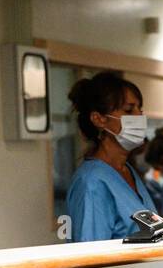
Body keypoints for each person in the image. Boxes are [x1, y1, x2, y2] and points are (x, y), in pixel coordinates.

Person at [65, 72, 155, 242]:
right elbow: (91, 257)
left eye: (140, 110)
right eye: (129, 110)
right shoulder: (92, 182)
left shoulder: (127, 171)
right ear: (99, 119)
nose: (139, 117)